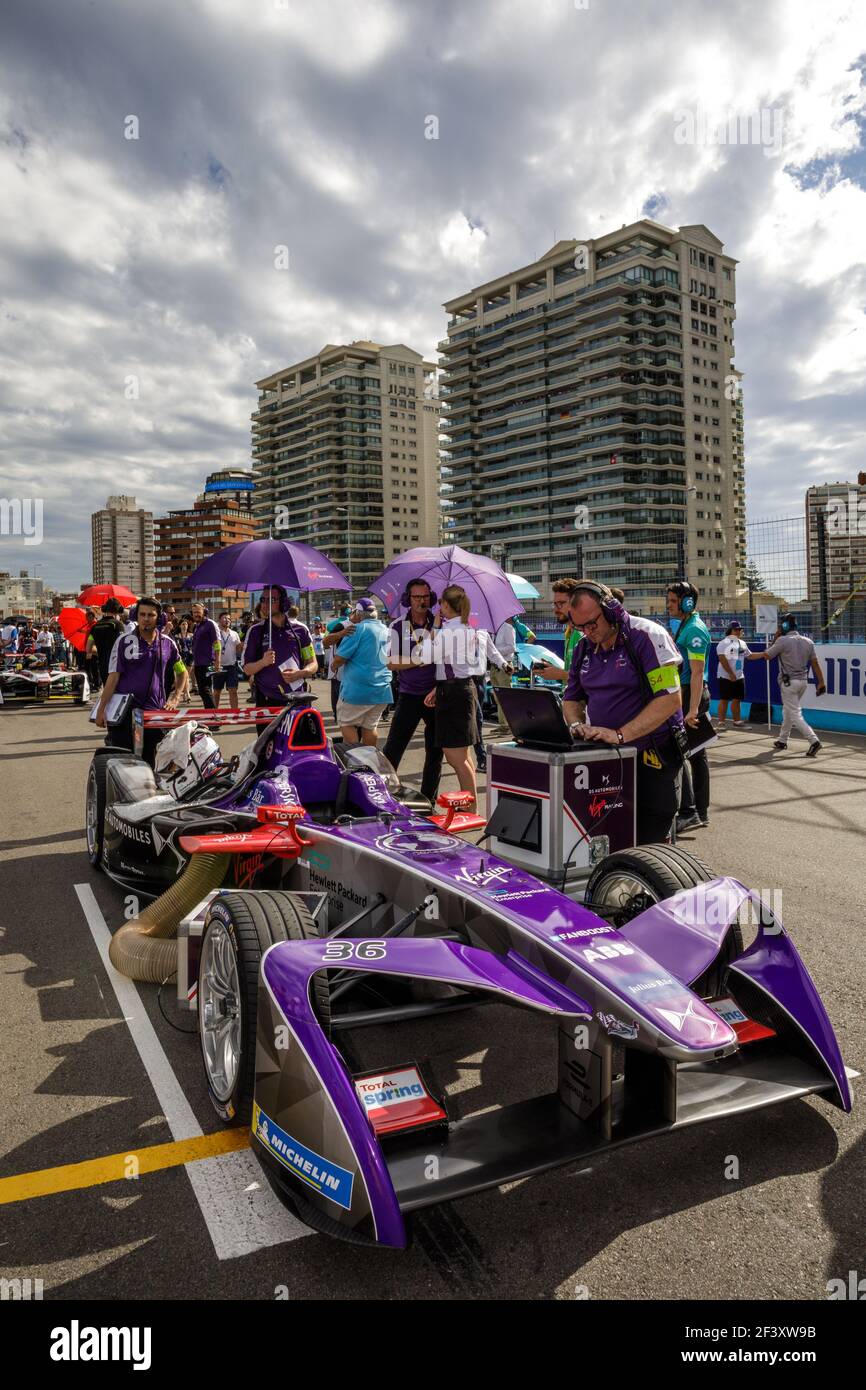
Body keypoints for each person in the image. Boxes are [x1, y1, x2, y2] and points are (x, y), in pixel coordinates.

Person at [562, 581, 685, 846]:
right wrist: (575, 725)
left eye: (592, 624)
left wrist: (620, 735)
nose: (587, 632)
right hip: (607, 758)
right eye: (580, 626)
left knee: (650, 843)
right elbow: (572, 698)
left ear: (612, 611)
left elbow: (670, 699)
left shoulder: (648, 636)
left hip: (652, 756)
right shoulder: (584, 646)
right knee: (611, 836)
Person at [421, 585, 511, 812]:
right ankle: (470, 805)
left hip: (454, 693)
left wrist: (435, 628)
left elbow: (426, 656)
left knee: (454, 755)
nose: (438, 607)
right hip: (462, 688)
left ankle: (470, 809)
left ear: (447, 607)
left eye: (441, 603)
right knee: (463, 753)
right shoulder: (469, 628)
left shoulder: (449, 630)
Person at [94, 596, 188, 763]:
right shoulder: (123, 641)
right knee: (123, 763)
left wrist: (175, 697)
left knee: (152, 764)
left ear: (159, 617)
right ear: (136, 616)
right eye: (142, 614)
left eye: (150, 615)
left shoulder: (168, 643)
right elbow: (113, 677)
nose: (146, 619)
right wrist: (101, 709)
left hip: (155, 714)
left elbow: (182, 672)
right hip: (125, 715)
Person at [383, 577, 443, 804]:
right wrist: (417, 661)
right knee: (392, 749)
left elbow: (448, 662)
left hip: (435, 695)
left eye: (426, 596)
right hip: (408, 694)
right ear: (409, 599)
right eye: (417, 597)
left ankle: (429, 801)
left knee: (435, 752)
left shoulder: (440, 623)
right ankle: (384, 797)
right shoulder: (398, 625)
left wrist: (439, 687)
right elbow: (391, 662)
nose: (422, 601)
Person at [666, 581, 712, 832]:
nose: (669, 605)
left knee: (689, 755)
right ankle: (696, 812)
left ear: (688, 603)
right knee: (694, 755)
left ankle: (691, 811)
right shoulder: (684, 625)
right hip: (685, 694)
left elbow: (697, 673)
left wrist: (693, 710)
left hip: (691, 696)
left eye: (674, 601)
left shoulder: (694, 629)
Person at [746, 615, 826, 755]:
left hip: (789, 683)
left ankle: (814, 741)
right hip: (803, 682)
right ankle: (782, 740)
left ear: (784, 626)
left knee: (794, 713)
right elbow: (815, 663)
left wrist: (775, 639)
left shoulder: (782, 640)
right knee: (788, 711)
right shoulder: (808, 641)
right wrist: (821, 682)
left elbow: (767, 655)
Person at [242, 584, 317, 709]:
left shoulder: (300, 630)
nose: (265, 604)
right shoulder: (255, 631)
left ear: (284, 603)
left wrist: (300, 673)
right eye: (262, 600)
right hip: (267, 700)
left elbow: (313, 664)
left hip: (297, 698)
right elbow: (247, 669)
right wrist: (263, 662)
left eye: (271, 600)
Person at [331, 598, 392, 746]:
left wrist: (333, 665)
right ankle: (369, 762)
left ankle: (356, 762)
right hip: (382, 689)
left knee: (346, 723)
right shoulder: (387, 630)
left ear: (358, 613)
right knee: (370, 727)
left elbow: (340, 658)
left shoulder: (357, 629)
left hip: (357, 690)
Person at [534, 578, 582, 683]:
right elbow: (572, 676)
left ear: (576, 603)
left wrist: (561, 674)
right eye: (555, 604)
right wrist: (555, 672)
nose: (556, 609)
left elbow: (593, 679)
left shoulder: (584, 635)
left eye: (561, 603)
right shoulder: (570, 632)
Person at [716, 621, 749, 729]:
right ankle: (721, 723)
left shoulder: (742, 643)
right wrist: (730, 674)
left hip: (739, 676)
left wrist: (765, 654)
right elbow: (722, 659)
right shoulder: (724, 643)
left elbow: (750, 655)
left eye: (739, 630)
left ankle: (737, 721)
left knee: (737, 699)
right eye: (736, 630)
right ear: (730, 631)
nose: (738, 632)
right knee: (724, 699)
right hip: (725, 676)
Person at [323, 604, 353, 721]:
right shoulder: (348, 624)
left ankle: (338, 716)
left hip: (336, 666)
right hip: (342, 667)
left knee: (336, 695)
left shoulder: (334, 624)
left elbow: (329, 627)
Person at [86, 599, 125, 689]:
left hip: (102, 665)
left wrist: (101, 650)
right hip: (116, 666)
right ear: (118, 611)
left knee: (107, 691)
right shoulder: (118, 625)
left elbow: (88, 649)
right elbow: (122, 646)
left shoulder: (95, 626)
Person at [190, 601, 222, 710]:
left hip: (207, 663)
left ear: (204, 611)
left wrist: (217, 661)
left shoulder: (210, 624)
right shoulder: (197, 626)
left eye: (198, 612)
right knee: (203, 691)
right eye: (194, 613)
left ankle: (213, 717)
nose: (196, 614)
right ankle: (211, 715)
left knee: (205, 690)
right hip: (198, 663)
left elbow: (217, 643)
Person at [212, 611, 242, 711]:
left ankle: (235, 713)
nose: (227, 620)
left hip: (232, 666)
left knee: (233, 691)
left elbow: (238, 648)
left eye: (229, 619)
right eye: (225, 618)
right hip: (219, 667)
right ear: (219, 620)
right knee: (216, 692)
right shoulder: (215, 633)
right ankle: (214, 713)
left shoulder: (234, 634)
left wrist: (243, 645)